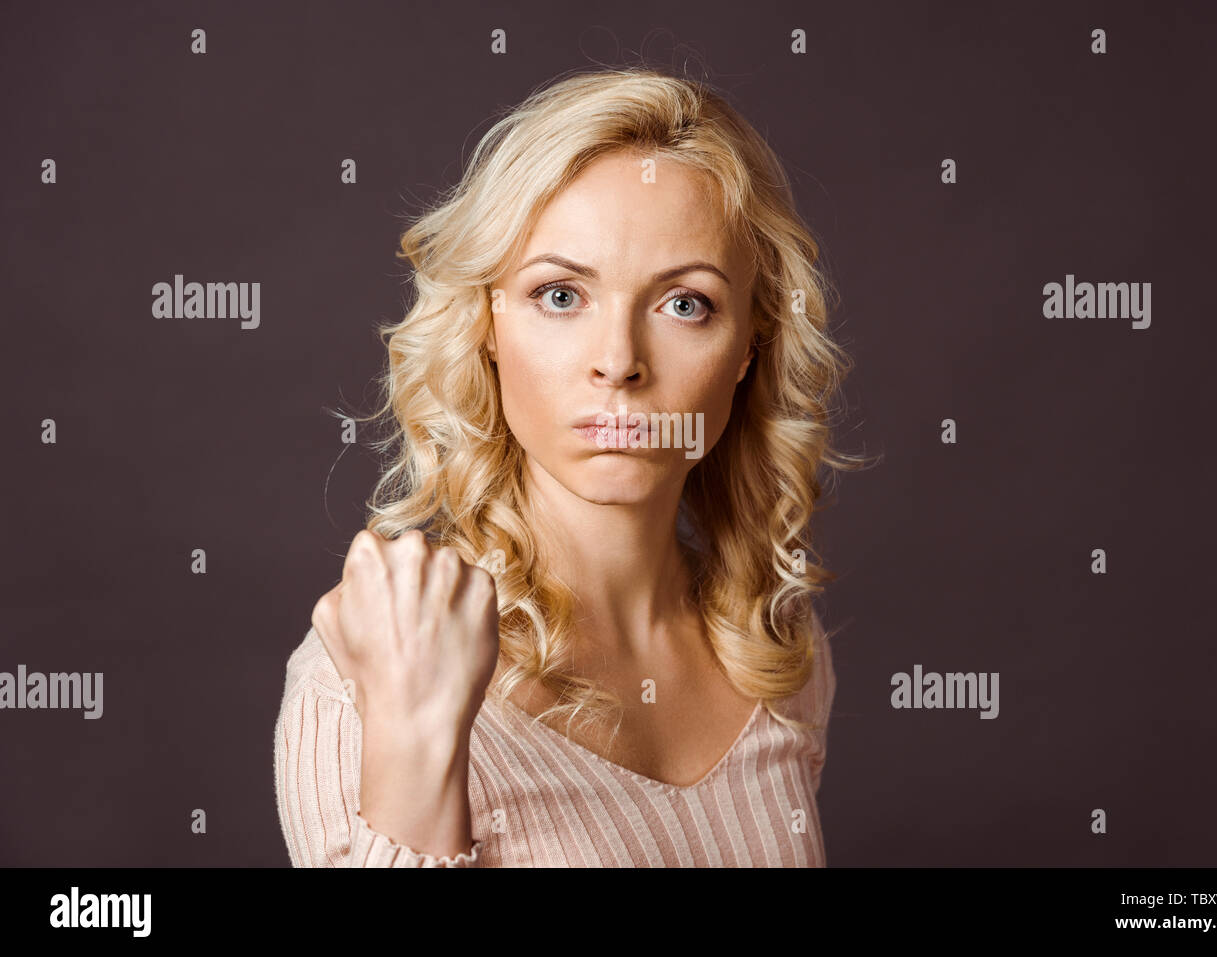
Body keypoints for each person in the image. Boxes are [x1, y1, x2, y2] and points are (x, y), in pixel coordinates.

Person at [273, 65, 862, 867]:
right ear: (486, 323)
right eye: (560, 294)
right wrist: (418, 736)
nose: (618, 362)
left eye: (684, 302)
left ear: (747, 348)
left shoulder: (779, 649)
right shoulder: (361, 675)